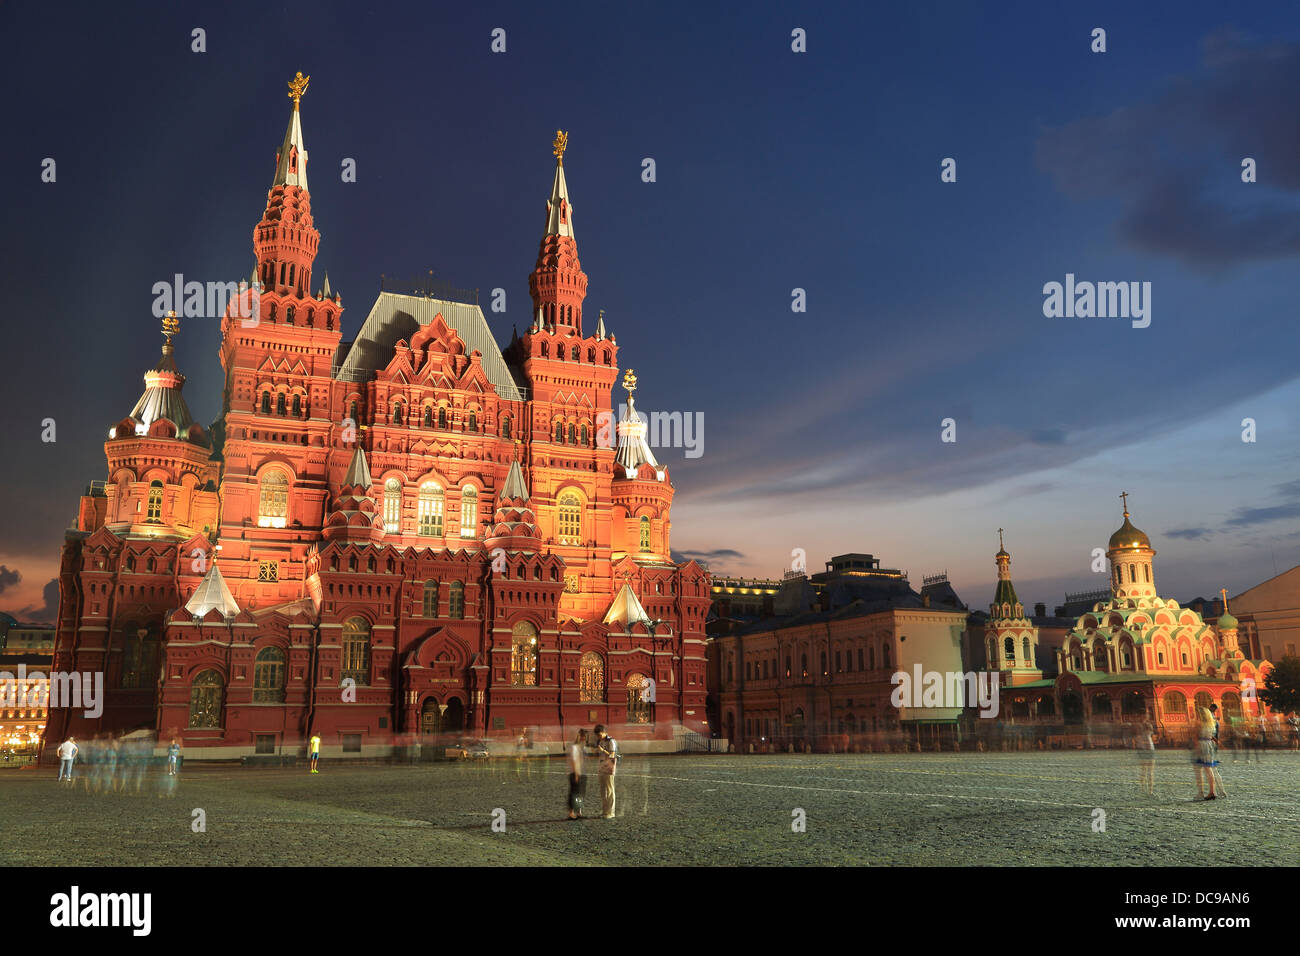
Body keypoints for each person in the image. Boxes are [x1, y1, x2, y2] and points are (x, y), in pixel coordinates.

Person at [1192, 705, 1219, 800]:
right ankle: (1213, 791)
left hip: (1201, 745)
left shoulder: (1198, 723)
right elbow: (1212, 736)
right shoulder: (1211, 723)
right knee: (1209, 769)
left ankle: (1201, 792)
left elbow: (1195, 737)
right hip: (1209, 745)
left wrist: (1196, 748)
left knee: (1198, 770)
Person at [594, 724, 619, 819]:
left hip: (609, 767)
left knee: (609, 790)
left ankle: (611, 812)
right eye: (597, 735)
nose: (598, 737)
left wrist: (603, 750)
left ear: (605, 732)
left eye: (600, 735)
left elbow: (612, 755)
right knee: (603, 791)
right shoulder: (600, 741)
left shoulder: (611, 741)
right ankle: (605, 811)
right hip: (601, 766)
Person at [567, 729, 588, 819]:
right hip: (576, 773)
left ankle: (579, 812)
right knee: (574, 793)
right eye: (584, 737)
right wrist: (576, 774)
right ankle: (571, 813)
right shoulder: (574, 747)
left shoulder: (581, 747)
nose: (585, 739)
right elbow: (574, 761)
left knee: (581, 794)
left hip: (582, 773)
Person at [1135, 719, 1155, 796]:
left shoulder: (1141, 733)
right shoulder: (1148, 733)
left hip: (1144, 751)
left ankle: (1143, 789)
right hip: (1149, 751)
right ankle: (1150, 791)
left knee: (1144, 771)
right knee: (1150, 772)